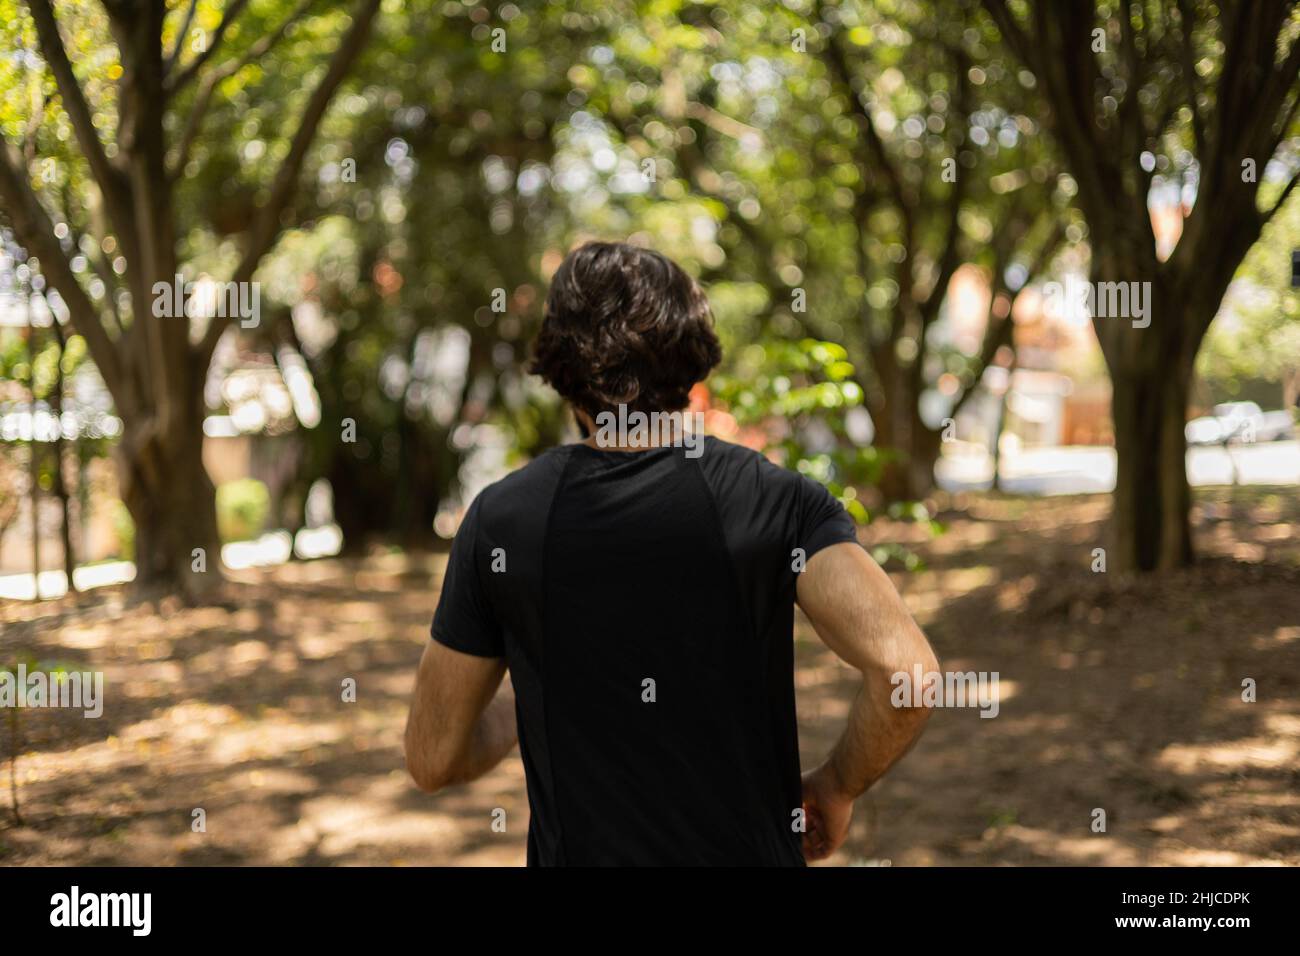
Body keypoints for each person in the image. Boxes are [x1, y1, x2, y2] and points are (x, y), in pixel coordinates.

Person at [404, 241, 939, 865]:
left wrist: (538, 692)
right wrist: (835, 786)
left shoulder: (500, 522)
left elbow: (431, 757)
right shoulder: (778, 501)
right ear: (693, 361)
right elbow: (908, 674)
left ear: (558, 365)